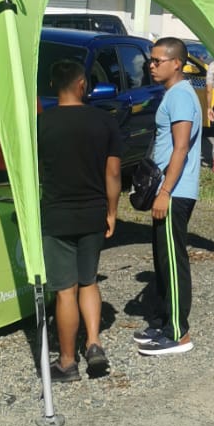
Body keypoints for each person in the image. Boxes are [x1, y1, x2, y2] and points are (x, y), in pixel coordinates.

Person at [37, 57, 122, 382]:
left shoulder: (41, 124)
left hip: (57, 215)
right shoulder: (104, 122)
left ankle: (67, 361)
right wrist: (112, 211)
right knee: (89, 281)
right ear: (82, 84)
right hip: (93, 212)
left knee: (64, 290)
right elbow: (113, 172)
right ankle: (95, 344)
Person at [135, 36, 202, 356]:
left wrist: (164, 192)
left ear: (177, 63)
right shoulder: (174, 95)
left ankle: (178, 333)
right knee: (163, 260)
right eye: (150, 60)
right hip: (170, 189)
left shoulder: (180, 97)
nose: (151, 65)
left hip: (175, 191)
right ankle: (164, 321)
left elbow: (181, 147)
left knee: (173, 262)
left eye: (157, 60)